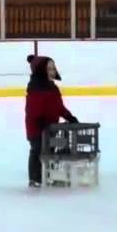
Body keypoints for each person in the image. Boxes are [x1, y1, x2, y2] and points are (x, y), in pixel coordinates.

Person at [25, 54, 77, 188]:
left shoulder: (53, 88)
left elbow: (59, 107)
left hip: (51, 128)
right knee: (37, 150)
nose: (53, 71)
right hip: (37, 128)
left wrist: (69, 117)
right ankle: (35, 178)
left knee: (51, 150)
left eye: (53, 68)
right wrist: (40, 121)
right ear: (42, 71)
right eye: (49, 69)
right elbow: (32, 109)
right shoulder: (35, 87)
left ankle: (47, 176)